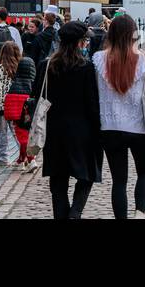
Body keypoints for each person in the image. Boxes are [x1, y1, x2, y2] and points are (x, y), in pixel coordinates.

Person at [93, 13, 145, 219]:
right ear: (134, 34)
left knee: (119, 181)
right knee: (144, 173)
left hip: (109, 128)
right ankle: (140, 214)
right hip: (140, 128)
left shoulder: (98, 60)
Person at [33, 21, 102, 219]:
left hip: (54, 131)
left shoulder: (46, 66)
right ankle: (75, 213)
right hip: (82, 130)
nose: (86, 44)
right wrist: (98, 130)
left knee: (58, 182)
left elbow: (37, 96)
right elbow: (92, 102)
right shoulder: (86, 68)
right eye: (84, 41)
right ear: (79, 43)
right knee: (87, 174)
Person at [5, 47, 39, 171]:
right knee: (27, 136)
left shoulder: (14, 84)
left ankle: (31, 159)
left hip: (17, 116)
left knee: (23, 138)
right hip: (30, 116)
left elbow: (9, 101)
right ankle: (22, 159)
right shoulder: (34, 85)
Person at [0, 41, 22, 166]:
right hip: (15, 105)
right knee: (17, 132)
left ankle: (2, 158)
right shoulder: (20, 68)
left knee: (2, 133)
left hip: (1, 105)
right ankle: (25, 156)